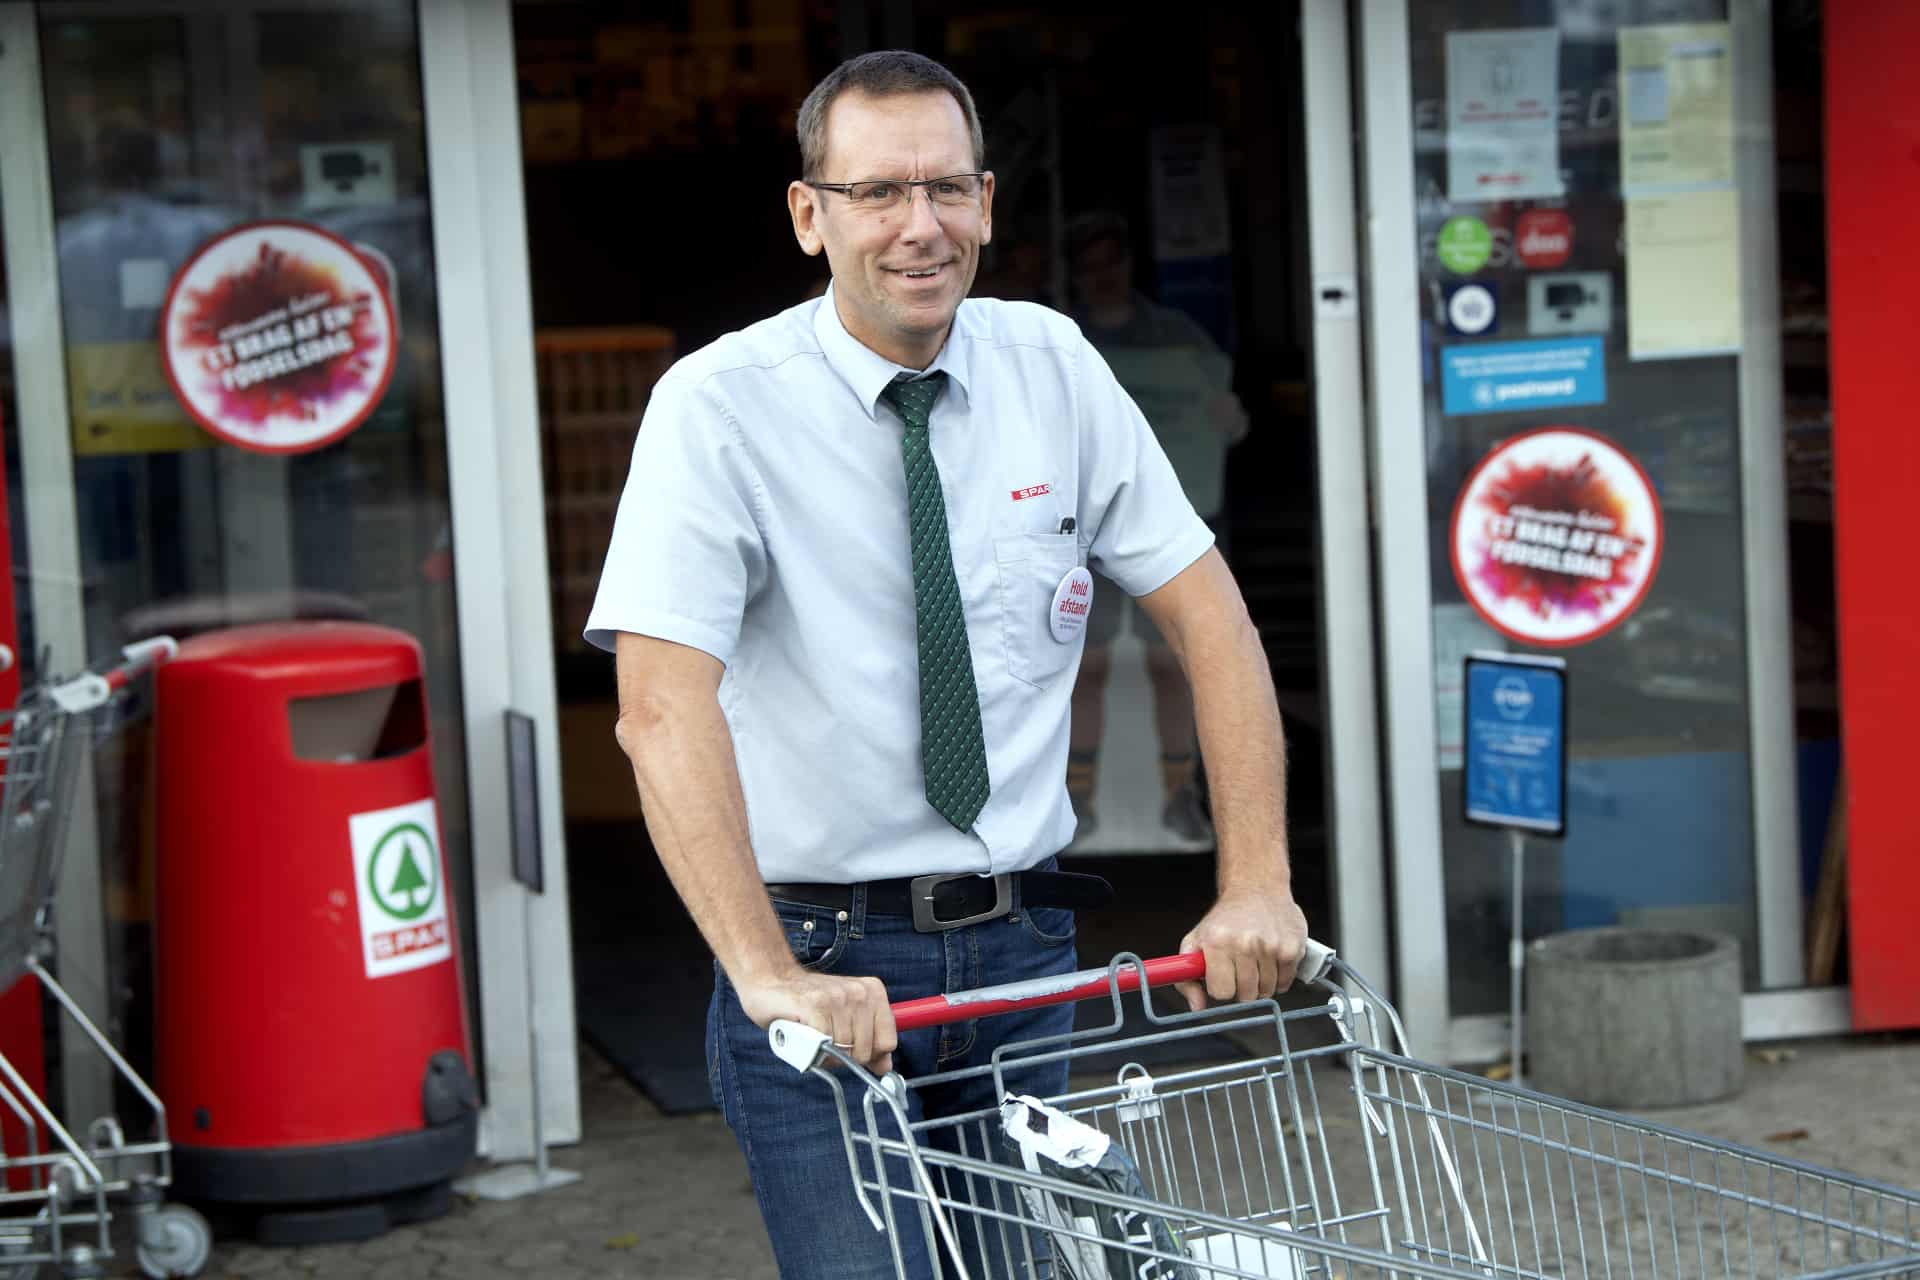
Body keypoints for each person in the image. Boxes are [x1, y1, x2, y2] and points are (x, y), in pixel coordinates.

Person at [587, 50, 1306, 1279]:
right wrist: (767, 974)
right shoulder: (715, 409)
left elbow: (1214, 619)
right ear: (811, 216)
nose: (920, 227)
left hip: (1020, 958)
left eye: (948, 188)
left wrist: (1257, 880)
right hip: (820, 966)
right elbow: (660, 712)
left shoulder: (1055, 368)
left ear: (986, 201)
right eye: (878, 194)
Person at [1063, 210, 1251, 847]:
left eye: (1110, 261)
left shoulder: (1176, 334)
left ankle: (1180, 800)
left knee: (1174, 665)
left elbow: (1229, 421)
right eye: (1090, 265)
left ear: (1126, 266)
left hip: (1163, 525)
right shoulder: (1057, 340)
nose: (1102, 275)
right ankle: (1076, 805)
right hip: (1074, 536)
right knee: (1080, 667)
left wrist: (1229, 419)